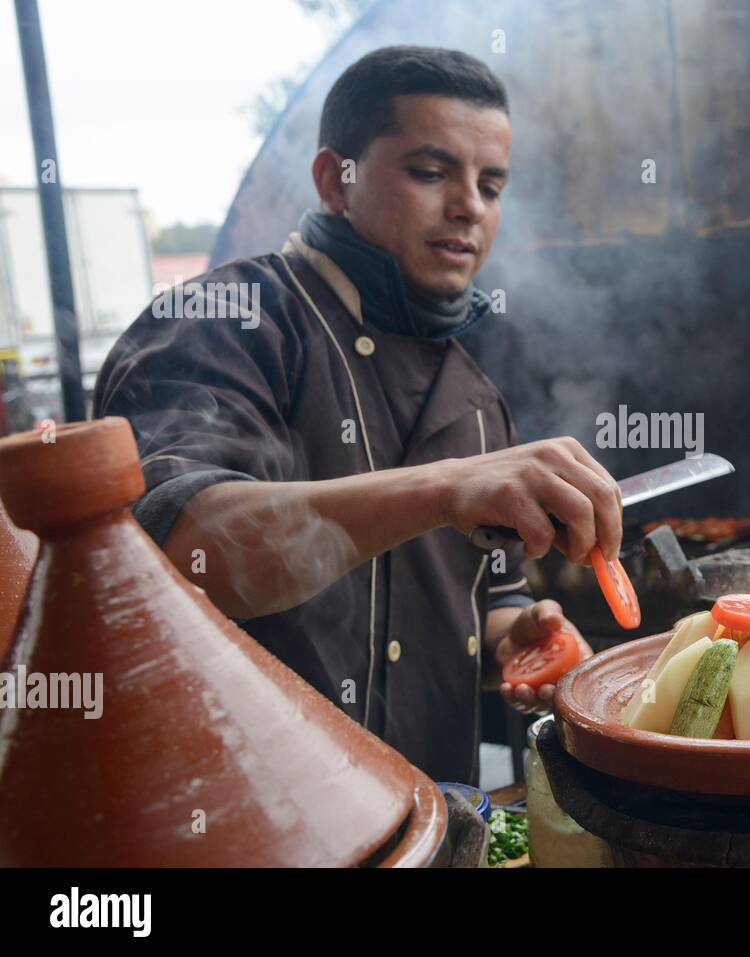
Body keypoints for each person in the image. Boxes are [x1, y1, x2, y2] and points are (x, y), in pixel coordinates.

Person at [94, 46, 622, 785]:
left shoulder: (474, 399)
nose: (469, 204)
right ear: (332, 179)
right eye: (431, 172)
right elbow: (179, 550)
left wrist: (517, 640)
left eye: (491, 183)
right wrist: (443, 488)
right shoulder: (225, 320)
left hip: (436, 825)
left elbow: (493, 600)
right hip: (248, 821)